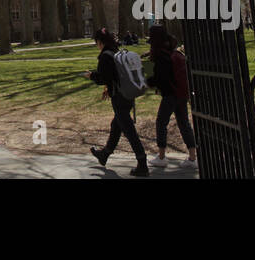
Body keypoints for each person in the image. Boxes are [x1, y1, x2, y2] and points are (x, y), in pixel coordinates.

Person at [83, 27, 149, 177]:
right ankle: (105, 154)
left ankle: (142, 162)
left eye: (97, 42)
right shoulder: (116, 52)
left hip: (119, 97)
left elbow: (103, 78)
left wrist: (91, 75)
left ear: (100, 42)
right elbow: (115, 76)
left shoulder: (105, 56)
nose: (97, 45)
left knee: (129, 130)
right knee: (117, 125)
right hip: (127, 93)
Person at [146, 26, 197, 170]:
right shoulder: (173, 51)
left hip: (170, 94)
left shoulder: (162, 56)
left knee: (161, 122)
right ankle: (192, 156)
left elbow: (160, 78)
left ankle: (161, 156)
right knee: (184, 123)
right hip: (182, 93)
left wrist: (148, 82)